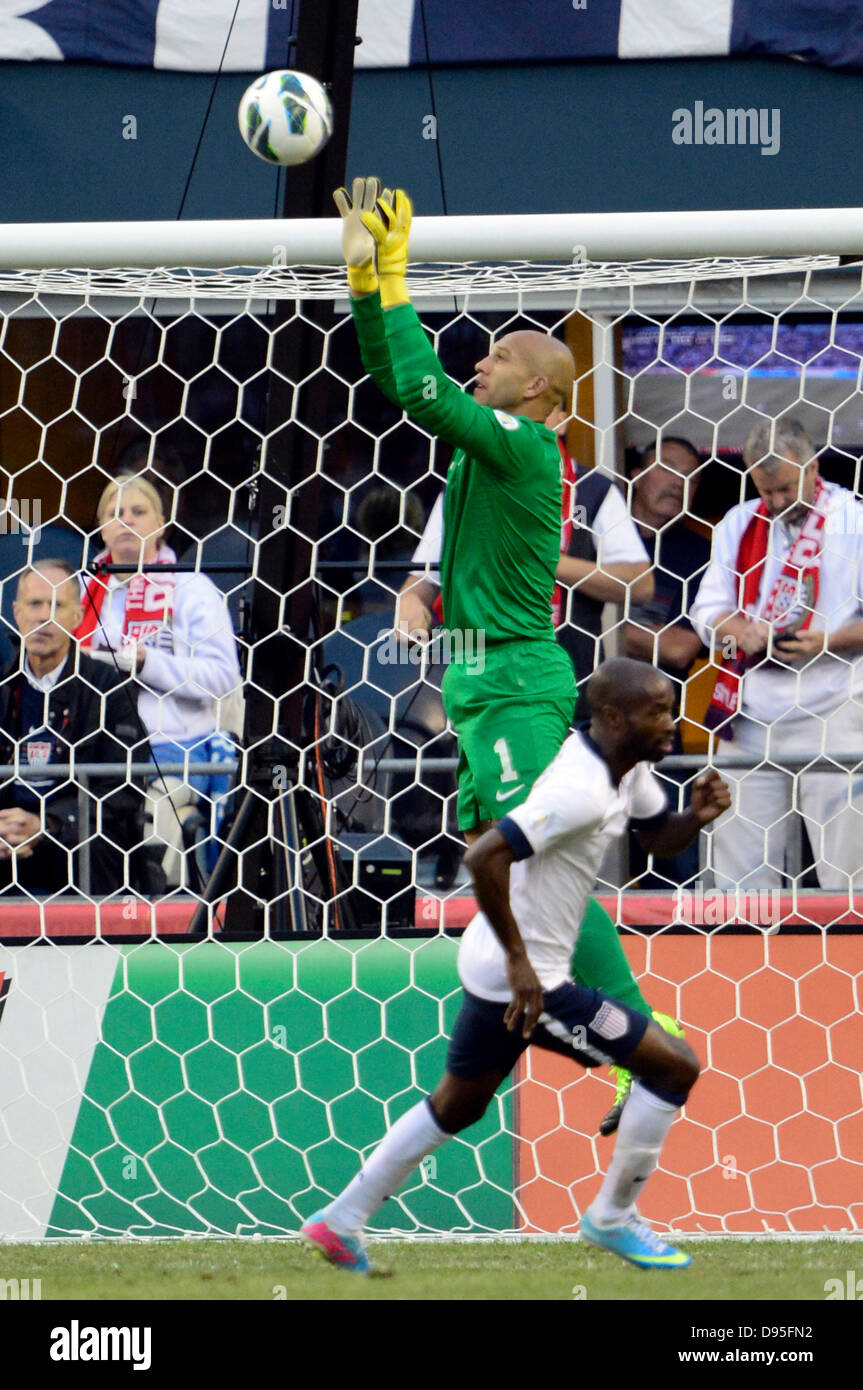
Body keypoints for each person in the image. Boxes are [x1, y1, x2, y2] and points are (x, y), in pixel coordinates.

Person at [334, 177, 678, 1139]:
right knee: (526, 876)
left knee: (549, 863)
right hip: (478, 679)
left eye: (496, 356)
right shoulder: (489, 454)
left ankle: (641, 1040)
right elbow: (401, 388)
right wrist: (367, 283)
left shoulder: (527, 449)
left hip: (521, 675)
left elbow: (413, 386)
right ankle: (570, 1025)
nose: (478, 366)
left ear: (541, 391)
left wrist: (391, 272)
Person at [301, 658, 731, 1272]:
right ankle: (612, 1218)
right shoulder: (577, 789)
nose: (672, 722)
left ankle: (340, 1220)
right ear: (613, 718)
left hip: (495, 963)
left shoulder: (626, 765)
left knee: (458, 1104)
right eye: (658, 711)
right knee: (673, 1068)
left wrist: (696, 817)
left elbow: (657, 836)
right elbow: (483, 856)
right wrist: (524, 965)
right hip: (531, 981)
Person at [690, 415, 863, 892]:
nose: (778, 501)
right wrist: (738, 632)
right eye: (767, 491)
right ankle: (743, 960)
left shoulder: (854, 519)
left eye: (787, 488)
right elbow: (705, 613)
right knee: (739, 875)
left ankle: (847, 963)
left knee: (847, 872)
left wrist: (827, 642)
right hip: (750, 714)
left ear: (811, 468)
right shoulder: (738, 523)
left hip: (836, 707)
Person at [76, 475, 242, 886]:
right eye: (114, 513)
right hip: (94, 755)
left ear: (161, 524)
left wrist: (149, 661)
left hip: (171, 754)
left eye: (138, 511)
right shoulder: (77, 592)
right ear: (100, 525)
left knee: (155, 815)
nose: (125, 521)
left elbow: (224, 678)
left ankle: (157, 923)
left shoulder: (191, 588)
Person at [0, 561, 149, 896]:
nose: (43, 617)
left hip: (75, 835)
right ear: (16, 613)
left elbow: (124, 785)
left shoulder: (108, 686)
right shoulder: (3, 685)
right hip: (6, 836)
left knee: (94, 846)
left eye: (56, 605)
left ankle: (94, 947)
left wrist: (47, 825)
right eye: (35, 604)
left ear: (78, 617)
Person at [624, 436, 712, 887]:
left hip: (661, 732)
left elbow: (681, 648)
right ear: (637, 474)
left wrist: (618, 632)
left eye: (692, 477)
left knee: (675, 876)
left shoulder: (699, 555)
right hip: (583, 724)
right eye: (670, 468)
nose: (680, 483)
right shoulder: (597, 537)